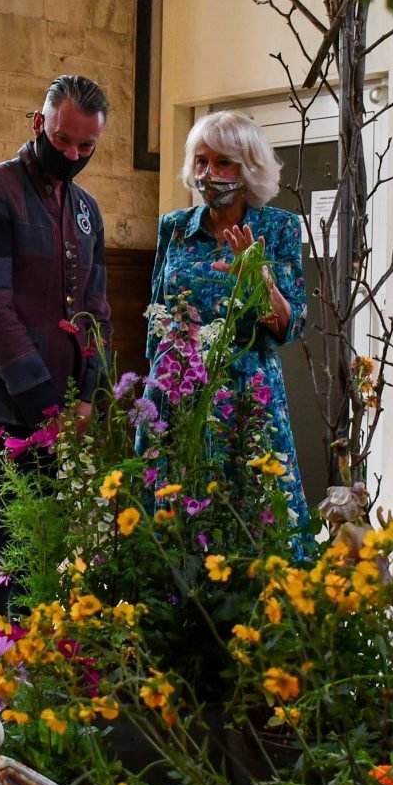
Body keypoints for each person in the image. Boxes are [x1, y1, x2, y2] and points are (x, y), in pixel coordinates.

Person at [0, 74, 112, 624]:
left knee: (46, 551)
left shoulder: (88, 209)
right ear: (38, 124)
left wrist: (88, 396)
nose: (71, 154)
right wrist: (49, 409)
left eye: (85, 147)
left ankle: (35, 678)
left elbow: (97, 312)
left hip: (68, 411)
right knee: (0, 551)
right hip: (6, 407)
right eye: (62, 139)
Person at [144, 110, 312, 542]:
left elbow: (289, 327)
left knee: (251, 517)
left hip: (245, 394)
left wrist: (256, 279)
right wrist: (152, 392)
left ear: (249, 168)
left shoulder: (278, 228)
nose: (208, 173)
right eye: (201, 161)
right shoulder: (174, 228)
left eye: (223, 163)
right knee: (173, 517)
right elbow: (157, 311)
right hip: (175, 392)